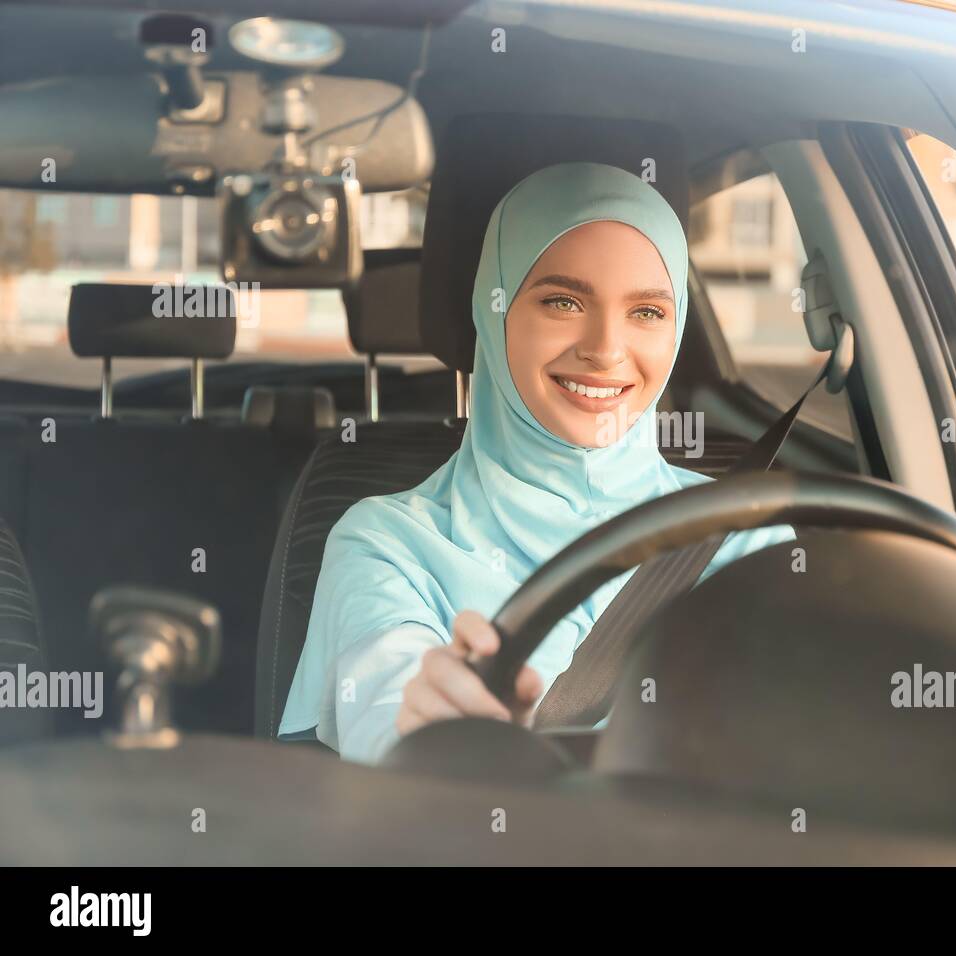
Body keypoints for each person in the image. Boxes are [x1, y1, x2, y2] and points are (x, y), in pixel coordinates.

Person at [279, 161, 794, 764]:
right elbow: (389, 707)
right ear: (493, 312)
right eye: (563, 301)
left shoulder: (745, 536)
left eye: (647, 312)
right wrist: (440, 735)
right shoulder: (388, 540)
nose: (604, 349)